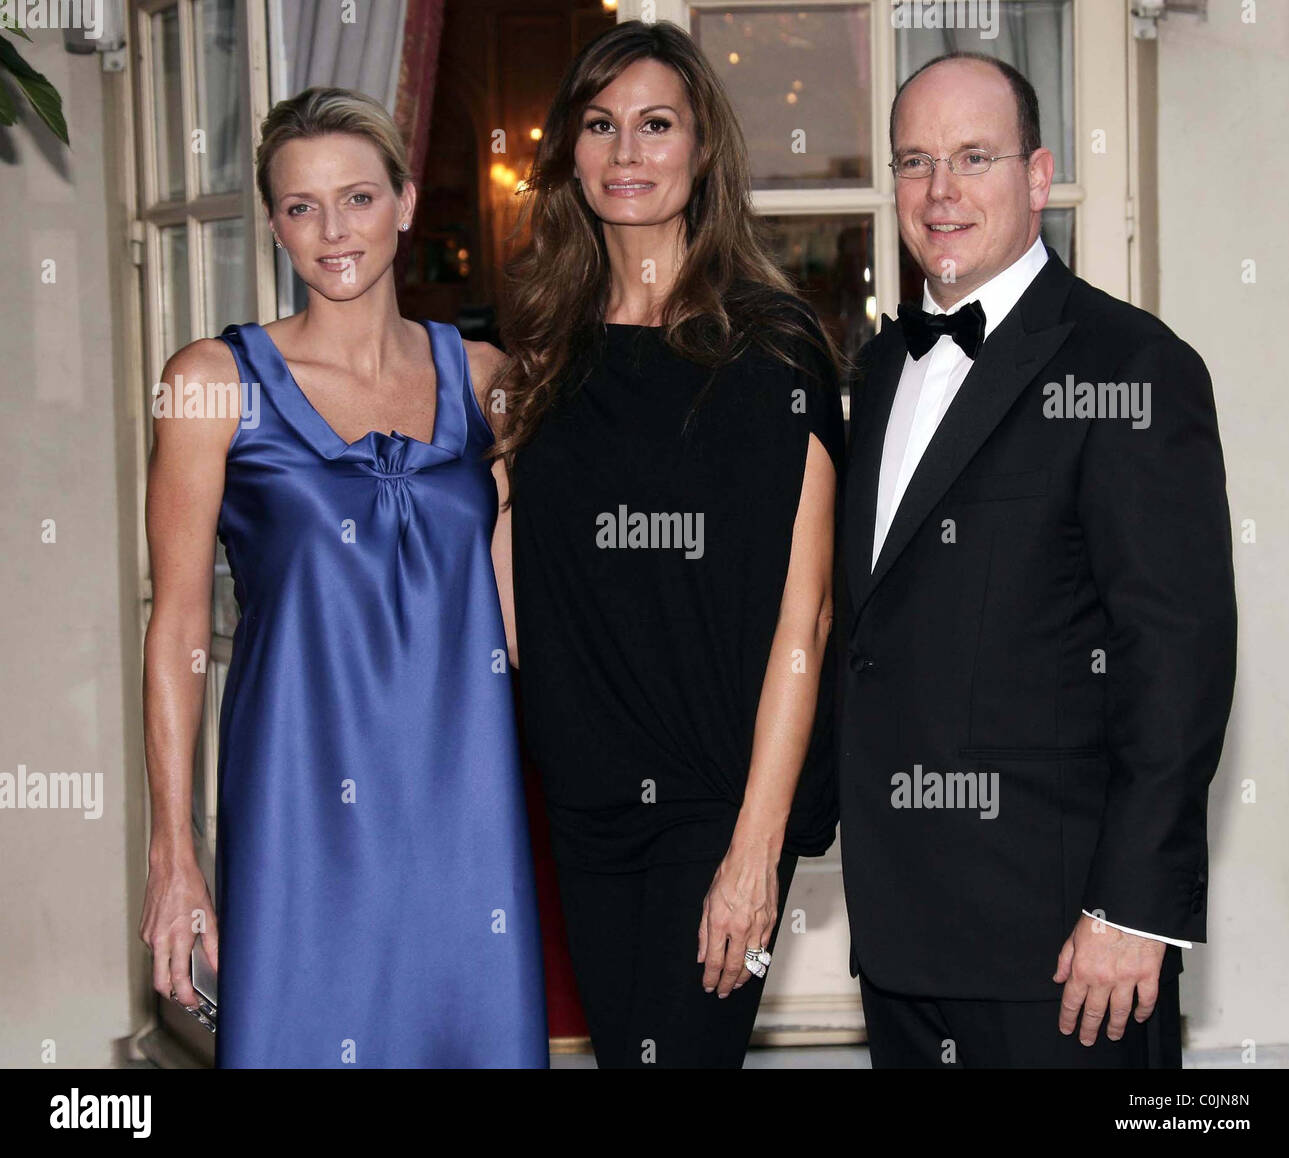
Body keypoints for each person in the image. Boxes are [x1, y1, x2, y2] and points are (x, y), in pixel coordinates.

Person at [836, 51, 1237, 1068]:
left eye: (974, 157)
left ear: (1038, 173)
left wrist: (1133, 907)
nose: (940, 191)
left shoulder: (1132, 365)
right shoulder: (881, 366)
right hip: (900, 940)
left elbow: (1177, 657)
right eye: (915, 161)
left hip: (1067, 950)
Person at [138, 87, 547, 1067]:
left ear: (407, 203)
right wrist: (173, 853)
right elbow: (178, 624)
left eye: (358, 198)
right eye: (300, 206)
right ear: (274, 225)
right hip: (298, 798)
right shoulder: (211, 382)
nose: (332, 231)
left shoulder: (491, 380)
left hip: (464, 798)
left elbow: (521, 613)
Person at [491, 21, 845, 1068]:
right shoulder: (549, 348)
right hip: (585, 796)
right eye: (600, 126)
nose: (626, 152)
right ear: (570, 152)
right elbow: (522, 575)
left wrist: (755, 845)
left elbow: (805, 616)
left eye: (655, 125)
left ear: (700, 152)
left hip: (713, 800)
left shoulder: (772, 348)